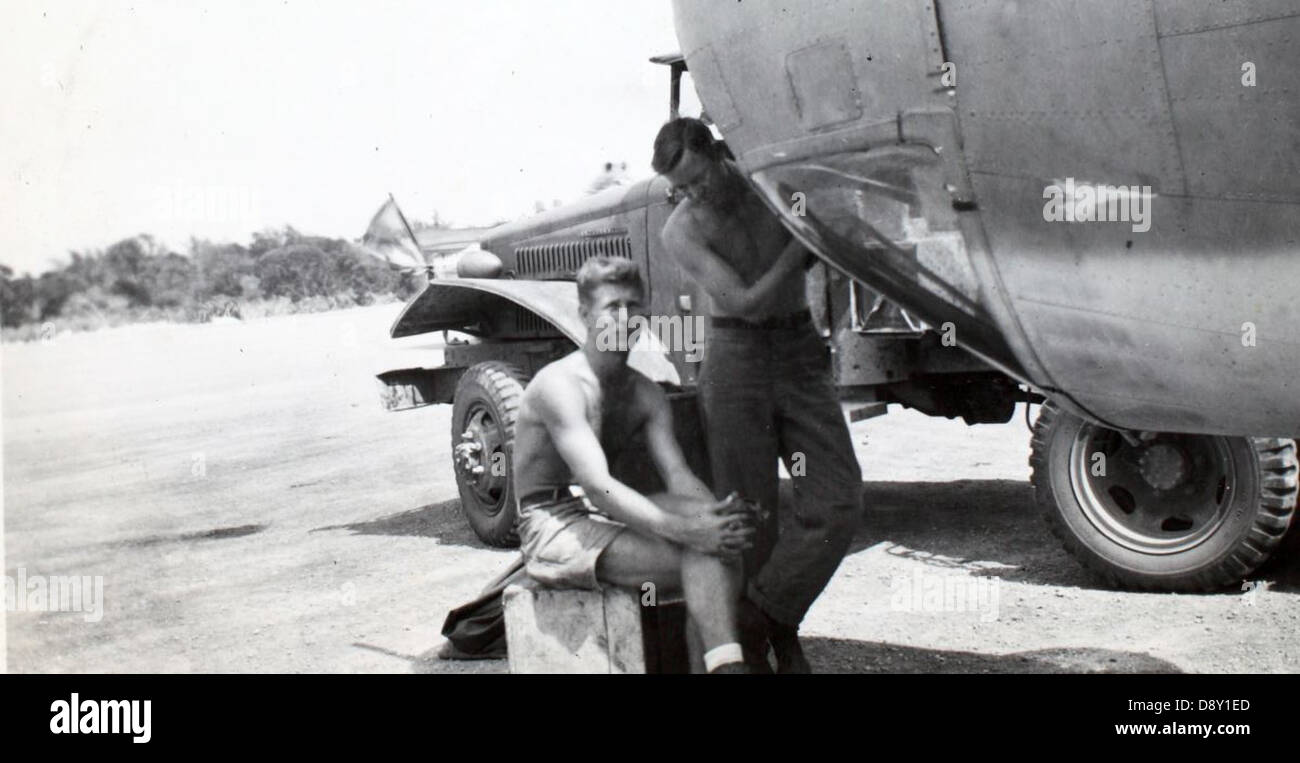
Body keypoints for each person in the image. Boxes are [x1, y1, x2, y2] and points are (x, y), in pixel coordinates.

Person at [653, 117, 864, 673]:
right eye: (683, 188)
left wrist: (809, 236)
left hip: (798, 350)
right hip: (736, 360)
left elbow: (834, 229)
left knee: (838, 500)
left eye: (701, 177)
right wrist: (801, 247)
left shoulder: (772, 186)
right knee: (748, 516)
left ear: (719, 153)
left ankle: (767, 615)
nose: (697, 193)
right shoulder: (681, 229)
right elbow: (744, 302)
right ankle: (765, 648)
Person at [512, 255, 759, 673]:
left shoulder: (645, 393)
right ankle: (726, 666)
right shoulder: (560, 386)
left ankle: (720, 663)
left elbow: (678, 475)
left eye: (634, 306)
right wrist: (688, 531)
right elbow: (597, 486)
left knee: (714, 538)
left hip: (599, 515)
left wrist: (716, 516)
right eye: (612, 307)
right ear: (585, 315)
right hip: (551, 524)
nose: (625, 318)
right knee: (701, 554)